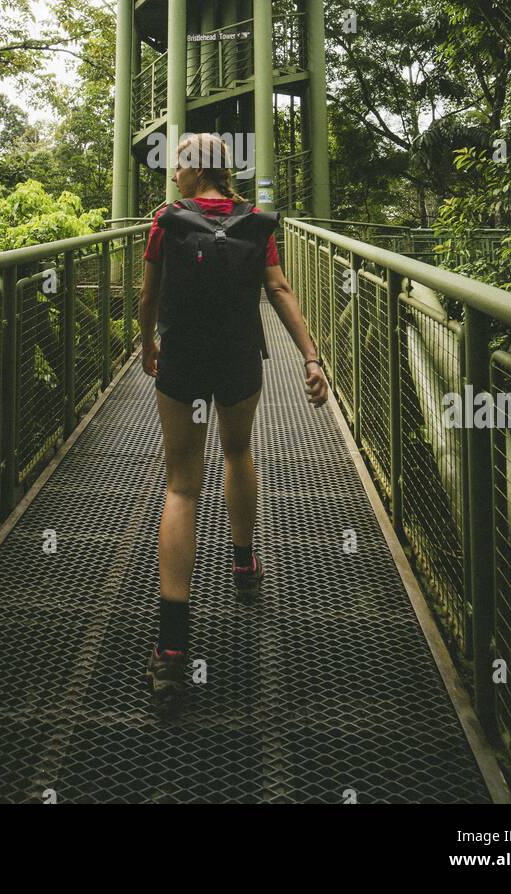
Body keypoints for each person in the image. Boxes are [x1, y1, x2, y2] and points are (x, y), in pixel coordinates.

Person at [139, 132, 329, 713]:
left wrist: (146, 342)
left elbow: (150, 294)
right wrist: (311, 356)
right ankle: (244, 561)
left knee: (180, 485)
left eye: (177, 165)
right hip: (241, 356)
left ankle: (173, 649)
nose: (172, 174)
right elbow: (279, 289)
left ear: (197, 171)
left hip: (184, 358)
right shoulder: (257, 222)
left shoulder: (166, 221)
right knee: (238, 451)